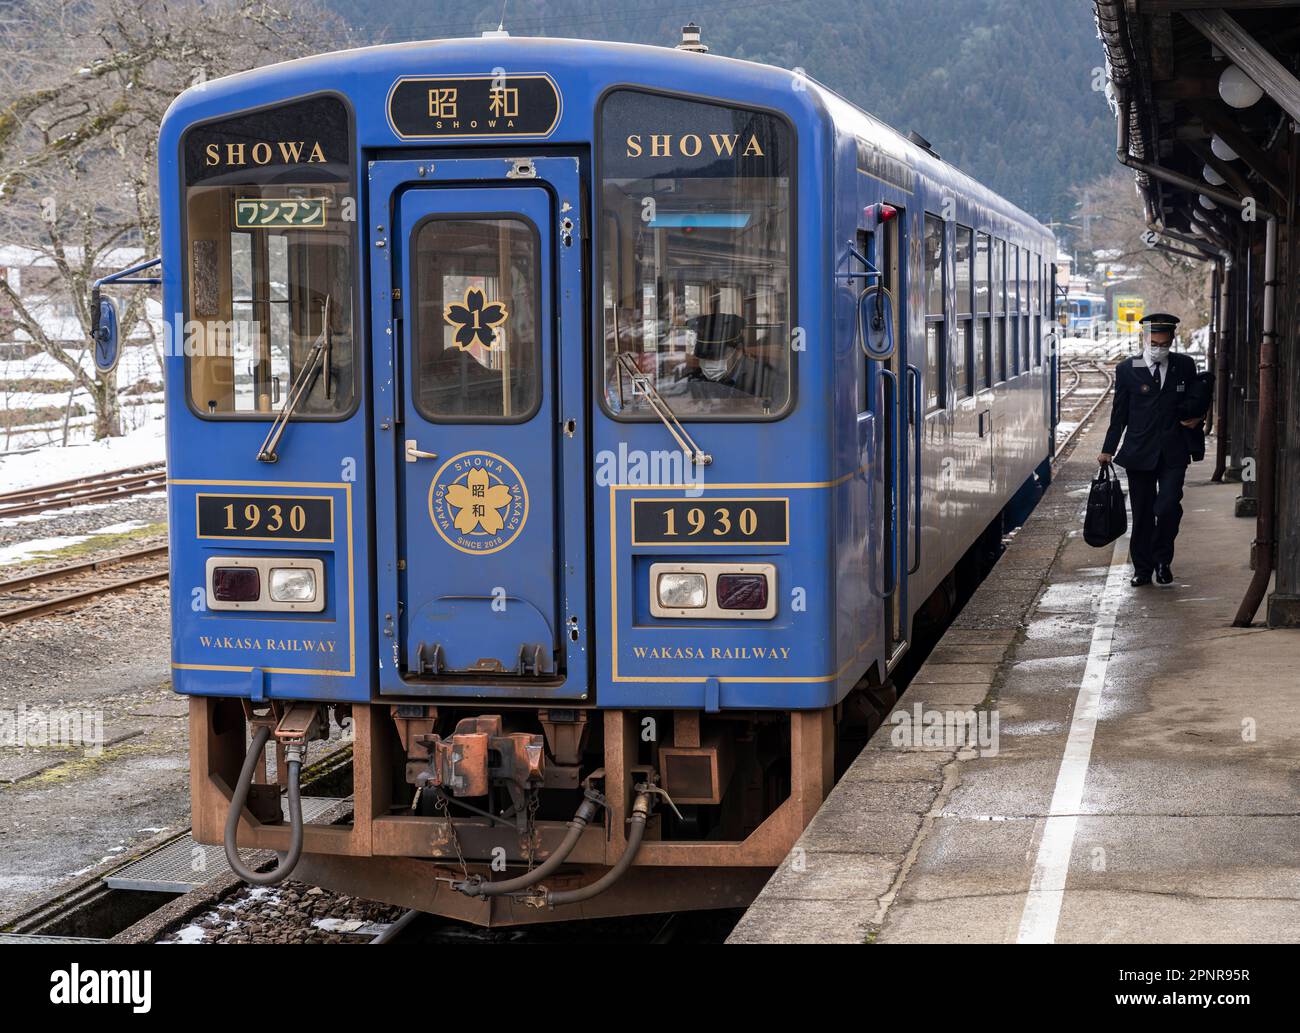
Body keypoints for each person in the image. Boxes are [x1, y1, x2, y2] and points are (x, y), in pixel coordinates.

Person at [1098, 313, 1209, 586]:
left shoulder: (1184, 365)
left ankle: (1163, 559)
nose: (1159, 348)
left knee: (1168, 506)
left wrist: (1199, 418)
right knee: (1143, 512)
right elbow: (1119, 414)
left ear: (1172, 340)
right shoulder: (1128, 369)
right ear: (1144, 339)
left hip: (1174, 451)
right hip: (1139, 452)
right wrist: (1108, 449)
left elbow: (1196, 399)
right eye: (1154, 342)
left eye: (1164, 343)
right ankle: (1144, 569)